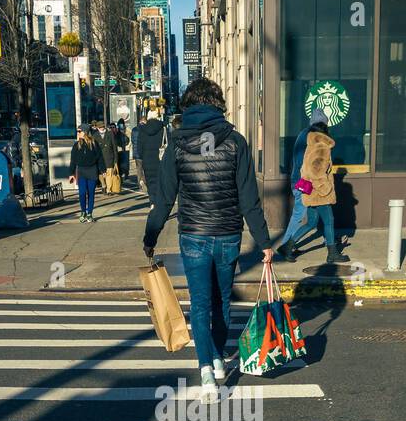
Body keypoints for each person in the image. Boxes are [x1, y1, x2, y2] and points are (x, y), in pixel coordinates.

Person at [143, 77, 273, 394]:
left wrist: (150, 236)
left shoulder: (176, 143)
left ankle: (207, 373)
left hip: (194, 235)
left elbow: (164, 198)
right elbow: (249, 199)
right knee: (221, 302)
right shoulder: (236, 142)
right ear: (218, 105)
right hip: (228, 234)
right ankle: (217, 358)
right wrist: (265, 242)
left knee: (200, 305)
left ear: (188, 106)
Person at [273, 121, 347, 264]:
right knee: (329, 221)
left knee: (311, 223)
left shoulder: (311, 145)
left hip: (310, 192)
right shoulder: (322, 147)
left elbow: (304, 169)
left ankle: (287, 247)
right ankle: (332, 254)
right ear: (325, 133)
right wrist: (326, 190)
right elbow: (316, 172)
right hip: (319, 194)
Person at [274, 109, 326, 263]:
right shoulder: (311, 137)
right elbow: (305, 162)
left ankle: (289, 244)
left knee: (305, 216)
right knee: (298, 215)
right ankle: (285, 246)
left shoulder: (303, 134)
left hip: (299, 180)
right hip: (303, 182)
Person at [68, 124, 106, 222]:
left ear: (85, 132)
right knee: (82, 193)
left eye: (79, 131)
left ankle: (89, 213)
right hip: (81, 171)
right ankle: (83, 211)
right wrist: (71, 174)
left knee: (91, 193)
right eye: (77, 131)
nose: (78, 133)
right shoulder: (76, 145)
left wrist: (103, 170)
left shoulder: (94, 143)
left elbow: (100, 157)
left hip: (92, 171)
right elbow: (73, 160)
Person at [133, 111, 166, 201]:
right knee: (160, 183)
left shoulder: (142, 130)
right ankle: (159, 202)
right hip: (160, 160)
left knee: (150, 182)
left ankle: (152, 202)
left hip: (147, 161)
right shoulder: (163, 129)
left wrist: (142, 157)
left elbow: (139, 148)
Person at [100, 123, 119, 194]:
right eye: (100, 127)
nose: (102, 128)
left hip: (109, 157)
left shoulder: (110, 134)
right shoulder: (95, 135)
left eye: (102, 126)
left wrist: (115, 159)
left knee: (109, 174)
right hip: (100, 159)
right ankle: (104, 185)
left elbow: (114, 147)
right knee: (101, 174)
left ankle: (109, 189)